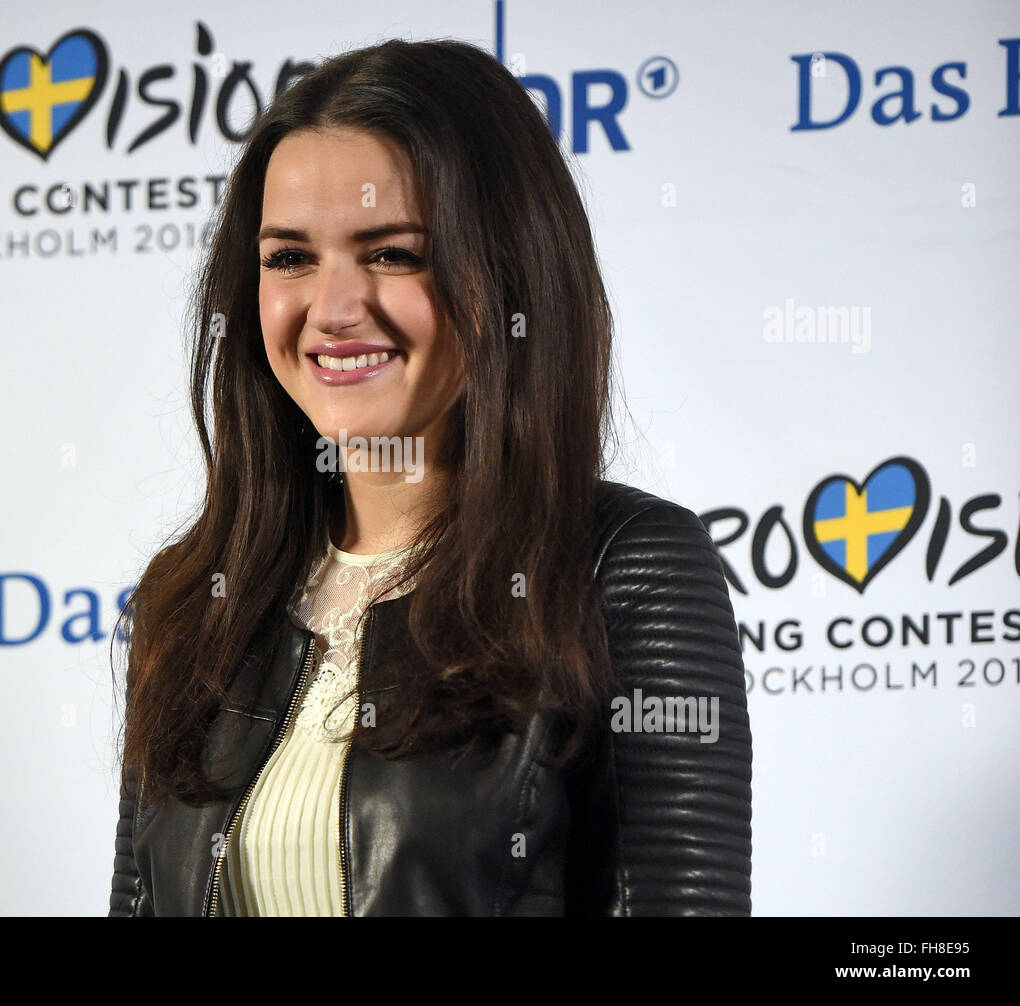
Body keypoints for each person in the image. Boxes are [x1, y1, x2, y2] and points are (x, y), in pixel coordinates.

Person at [108, 37, 752, 916]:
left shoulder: (622, 570)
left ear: (508, 272)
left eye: (393, 254)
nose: (333, 311)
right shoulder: (189, 605)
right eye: (289, 258)